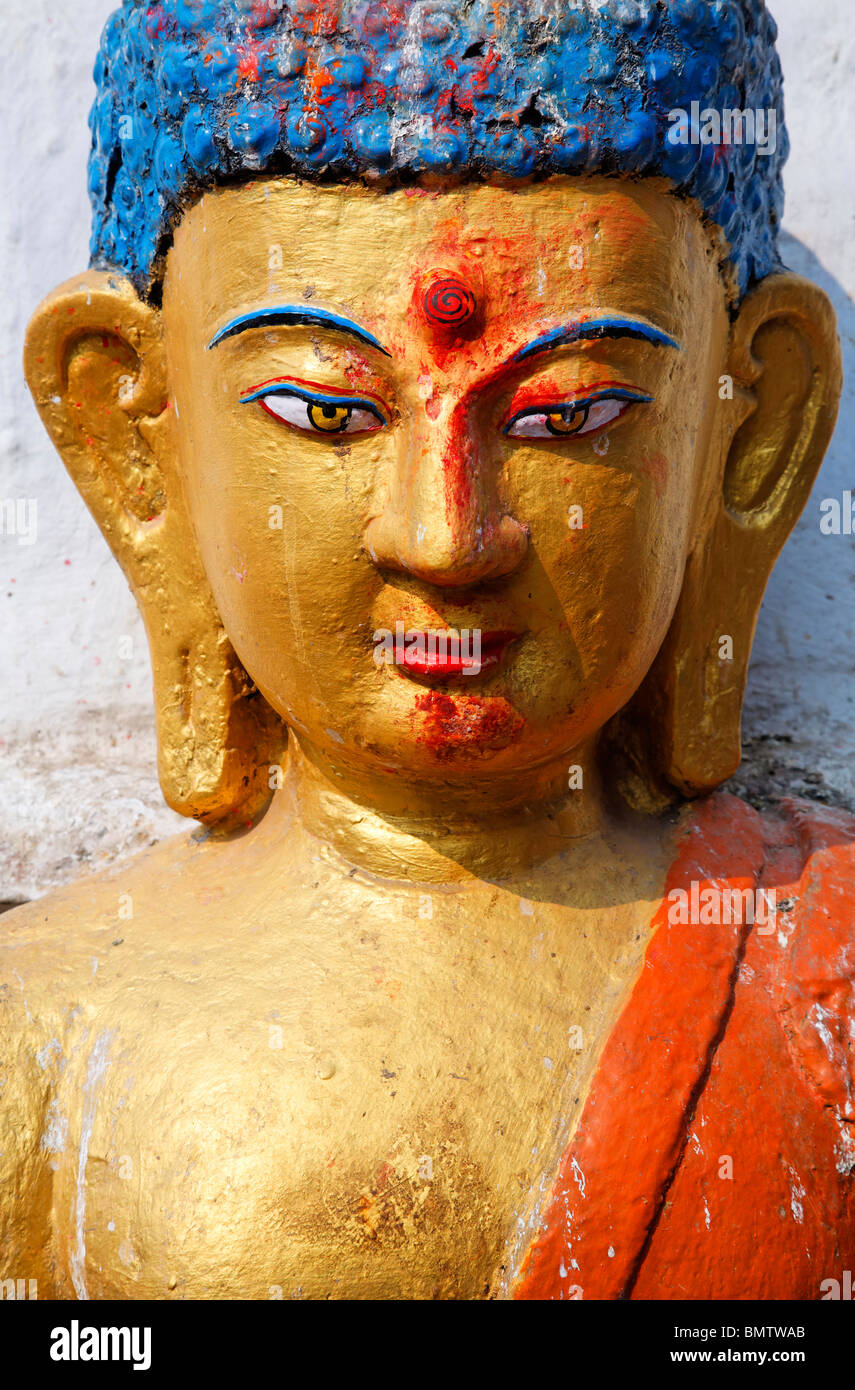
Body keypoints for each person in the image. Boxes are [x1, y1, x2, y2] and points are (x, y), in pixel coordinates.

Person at [3, 0, 851, 1300]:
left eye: (572, 414)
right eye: (323, 410)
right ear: (138, 435)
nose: (448, 537)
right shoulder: (40, 1032)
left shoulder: (825, 986)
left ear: (748, 435)